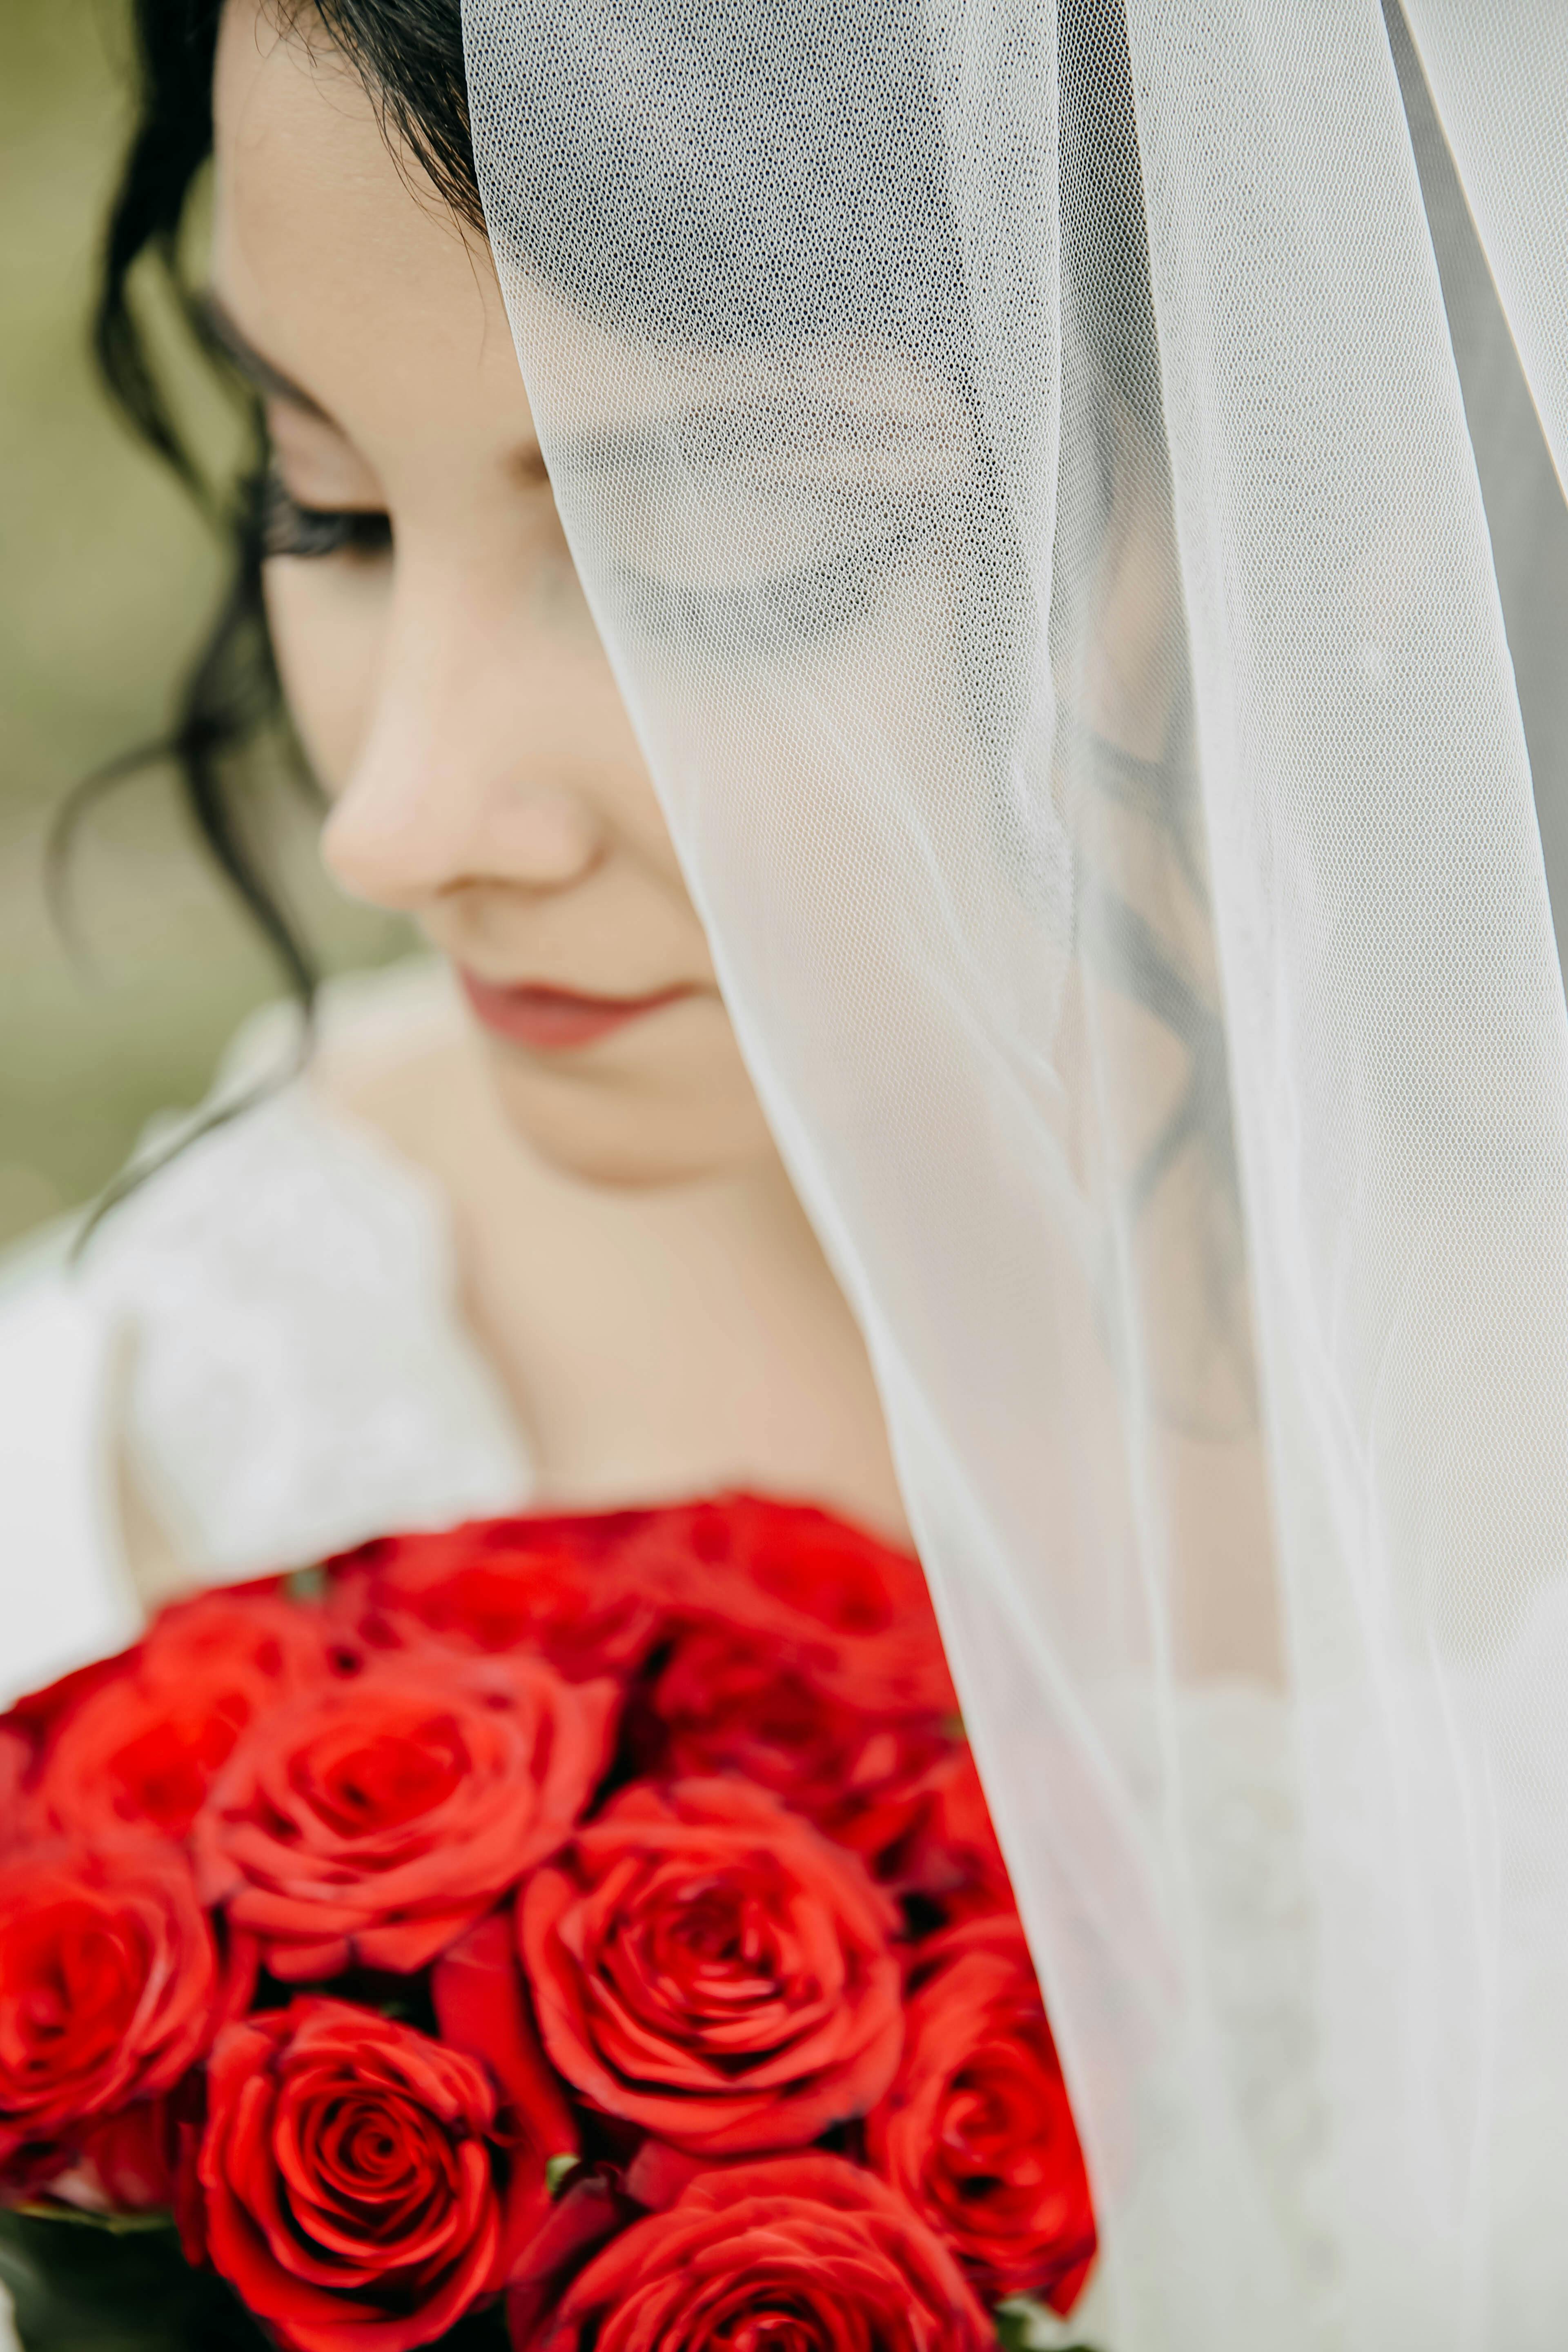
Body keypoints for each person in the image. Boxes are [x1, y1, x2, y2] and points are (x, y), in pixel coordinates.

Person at [7, 0, 1568, 2343]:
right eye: (322, 501)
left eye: (702, 554)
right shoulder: (206, 1397)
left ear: (1311, 463)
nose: (400, 816)